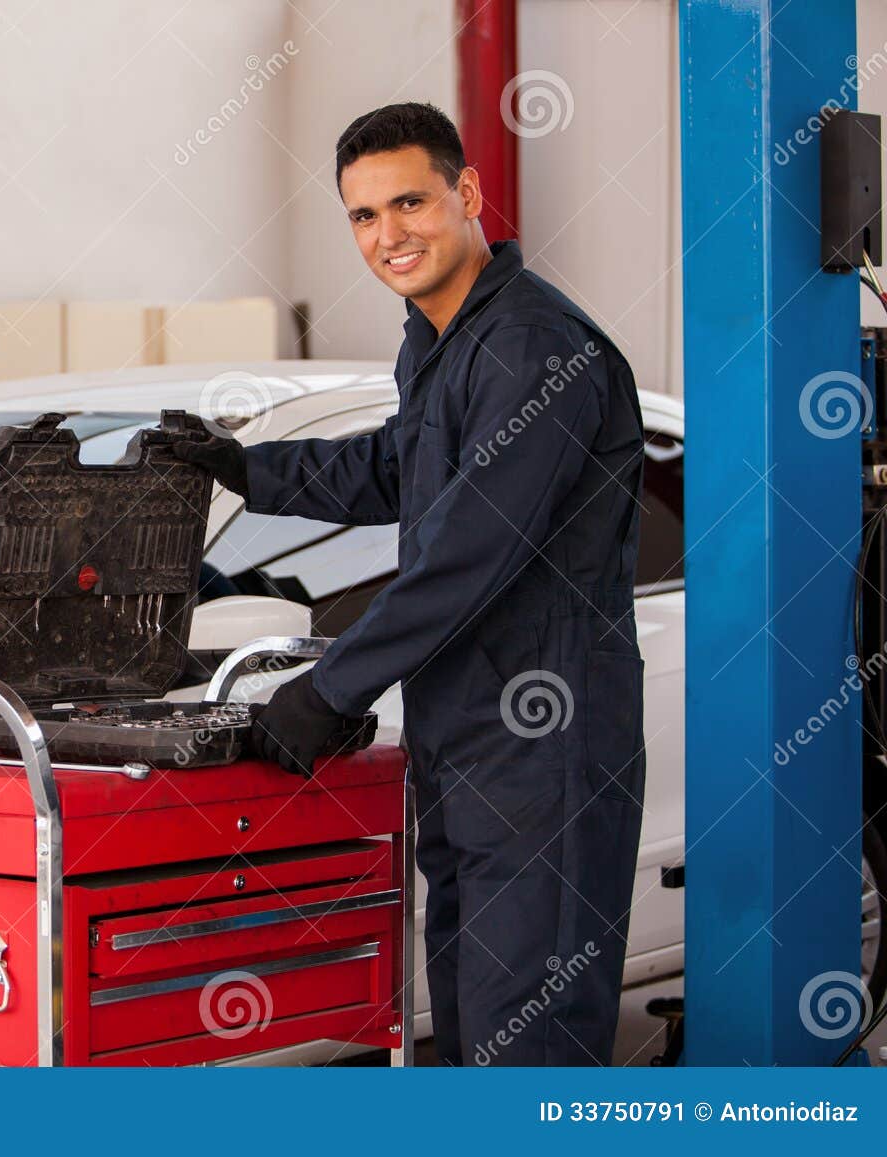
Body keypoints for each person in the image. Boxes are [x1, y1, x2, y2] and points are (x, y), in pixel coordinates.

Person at [175, 102, 646, 1066]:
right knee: (471, 1026)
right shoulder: (441, 340)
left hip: (541, 739)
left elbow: (466, 555)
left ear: (467, 194)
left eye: (410, 202)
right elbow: (396, 466)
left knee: (529, 1039)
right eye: (362, 216)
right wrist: (246, 468)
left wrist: (329, 688)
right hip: (466, 735)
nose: (389, 235)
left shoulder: (531, 347)